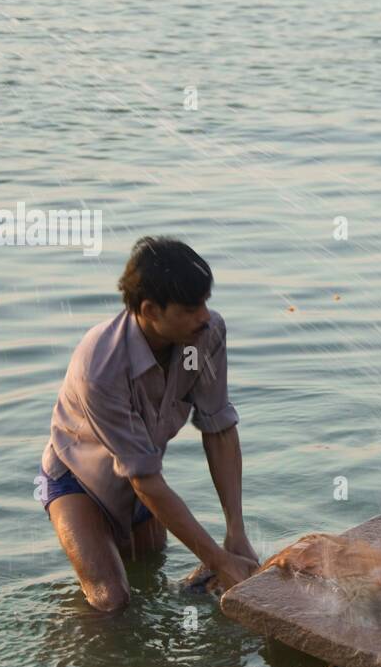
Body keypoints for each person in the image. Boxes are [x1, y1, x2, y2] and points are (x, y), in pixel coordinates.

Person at [38, 236, 259, 611]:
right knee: (112, 601)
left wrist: (235, 532)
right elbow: (146, 482)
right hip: (80, 480)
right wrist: (221, 562)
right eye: (190, 308)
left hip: (141, 476)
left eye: (205, 302)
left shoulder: (203, 339)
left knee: (152, 582)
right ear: (150, 310)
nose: (204, 316)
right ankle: (75, 651)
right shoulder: (102, 366)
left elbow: (218, 428)